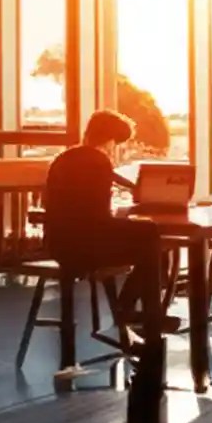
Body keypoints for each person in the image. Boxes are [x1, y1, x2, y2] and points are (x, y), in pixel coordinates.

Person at [44, 109, 175, 337]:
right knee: (151, 235)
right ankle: (138, 312)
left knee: (150, 244)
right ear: (110, 139)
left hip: (59, 243)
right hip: (86, 245)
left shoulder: (64, 158)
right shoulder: (98, 161)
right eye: (116, 143)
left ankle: (133, 310)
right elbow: (100, 218)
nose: (115, 148)